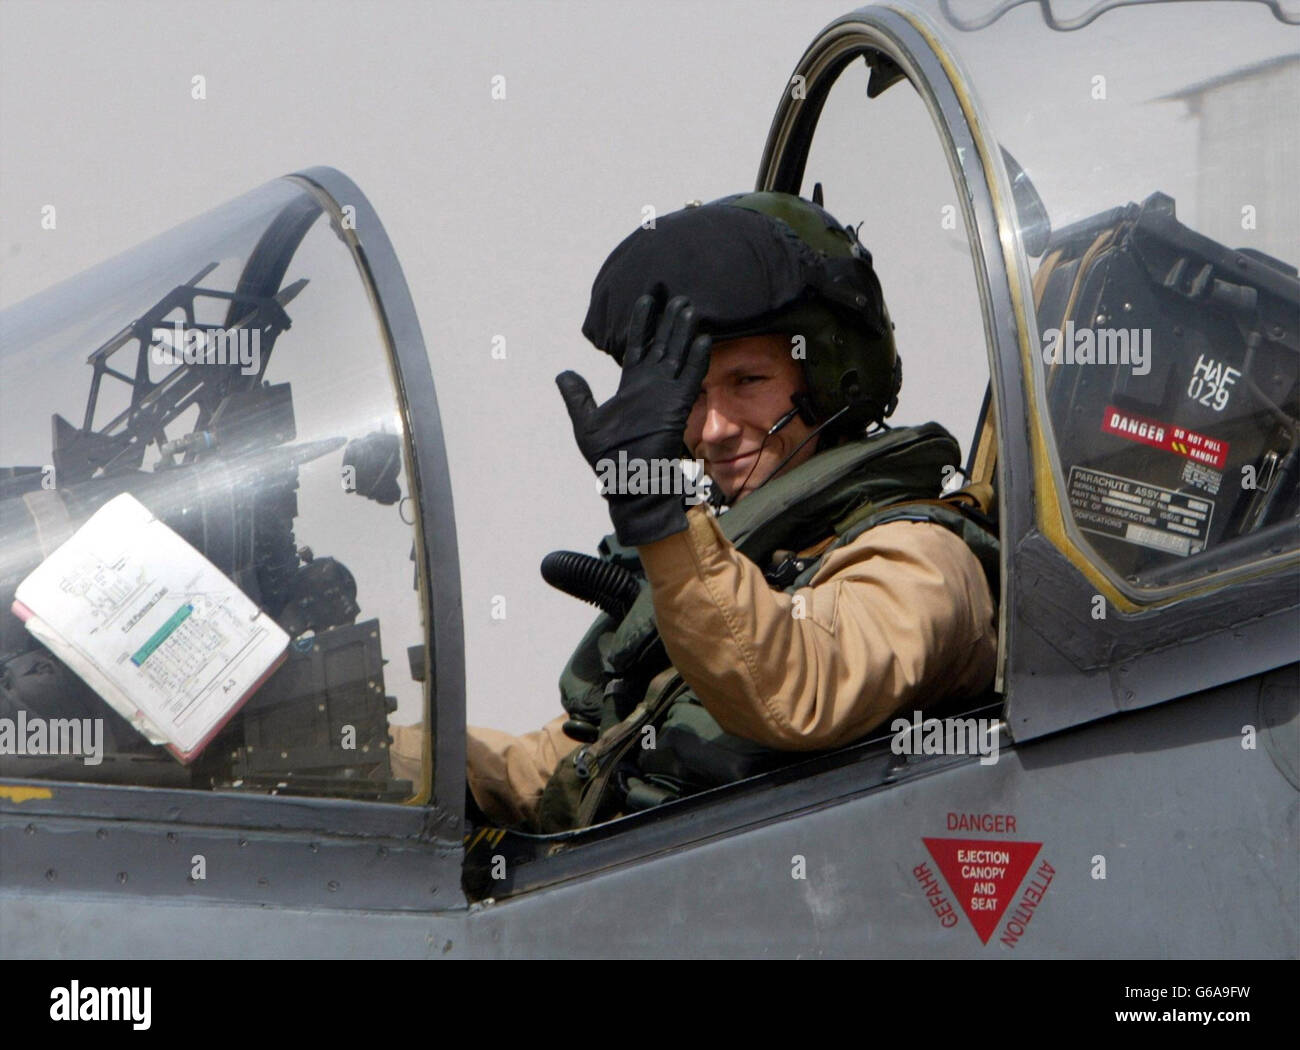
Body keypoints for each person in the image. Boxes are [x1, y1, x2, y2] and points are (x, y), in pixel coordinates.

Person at [466, 191, 999, 833]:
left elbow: (799, 686)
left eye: (748, 382)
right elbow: (579, 763)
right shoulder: (742, 555)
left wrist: (662, 516)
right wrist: (390, 763)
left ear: (833, 377)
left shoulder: (922, 561)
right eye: (694, 394)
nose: (714, 429)